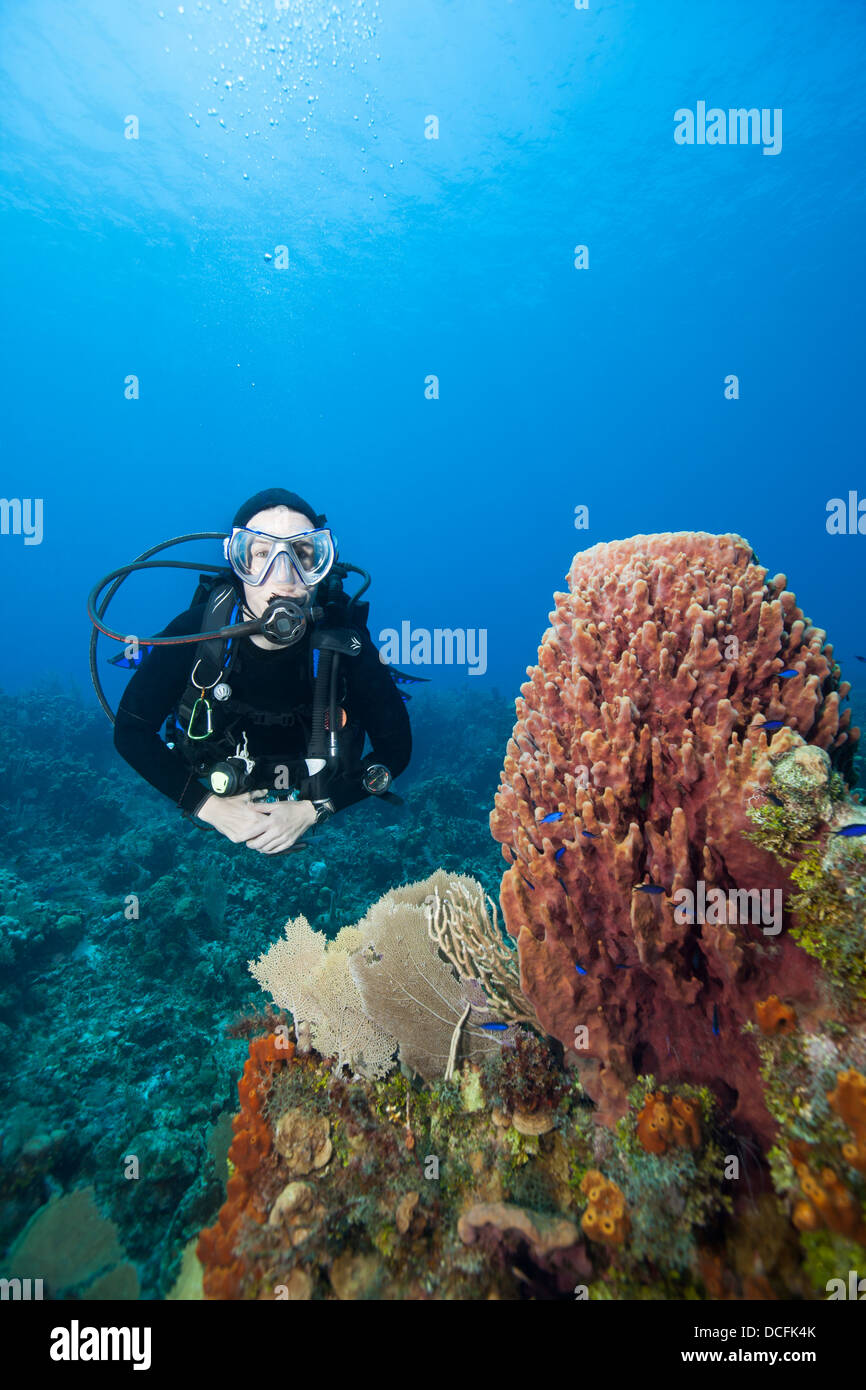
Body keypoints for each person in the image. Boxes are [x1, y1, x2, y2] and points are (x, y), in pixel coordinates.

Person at [113, 487, 411, 854]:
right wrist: (209, 807)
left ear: (323, 565)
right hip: (218, 787)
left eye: (303, 554)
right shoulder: (198, 633)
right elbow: (130, 731)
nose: (283, 577)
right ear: (238, 566)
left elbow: (396, 750)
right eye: (260, 554)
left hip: (312, 796)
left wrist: (315, 808)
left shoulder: (346, 645)